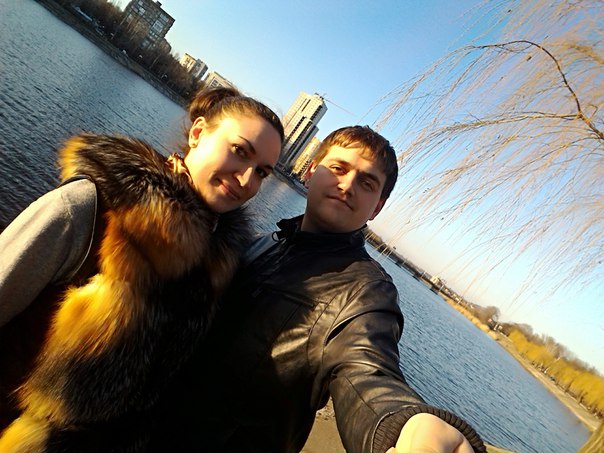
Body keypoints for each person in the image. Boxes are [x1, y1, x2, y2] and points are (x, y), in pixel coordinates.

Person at [155, 125, 487, 453]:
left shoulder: (365, 291)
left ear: (376, 208)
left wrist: (404, 425)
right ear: (311, 171)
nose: (347, 185)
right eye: (339, 168)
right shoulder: (264, 243)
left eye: (367, 183)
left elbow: (366, 370)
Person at [0, 86, 283, 452]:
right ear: (198, 133)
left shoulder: (219, 262)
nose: (246, 180)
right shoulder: (93, 207)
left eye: (261, 172)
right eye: (240, 151)